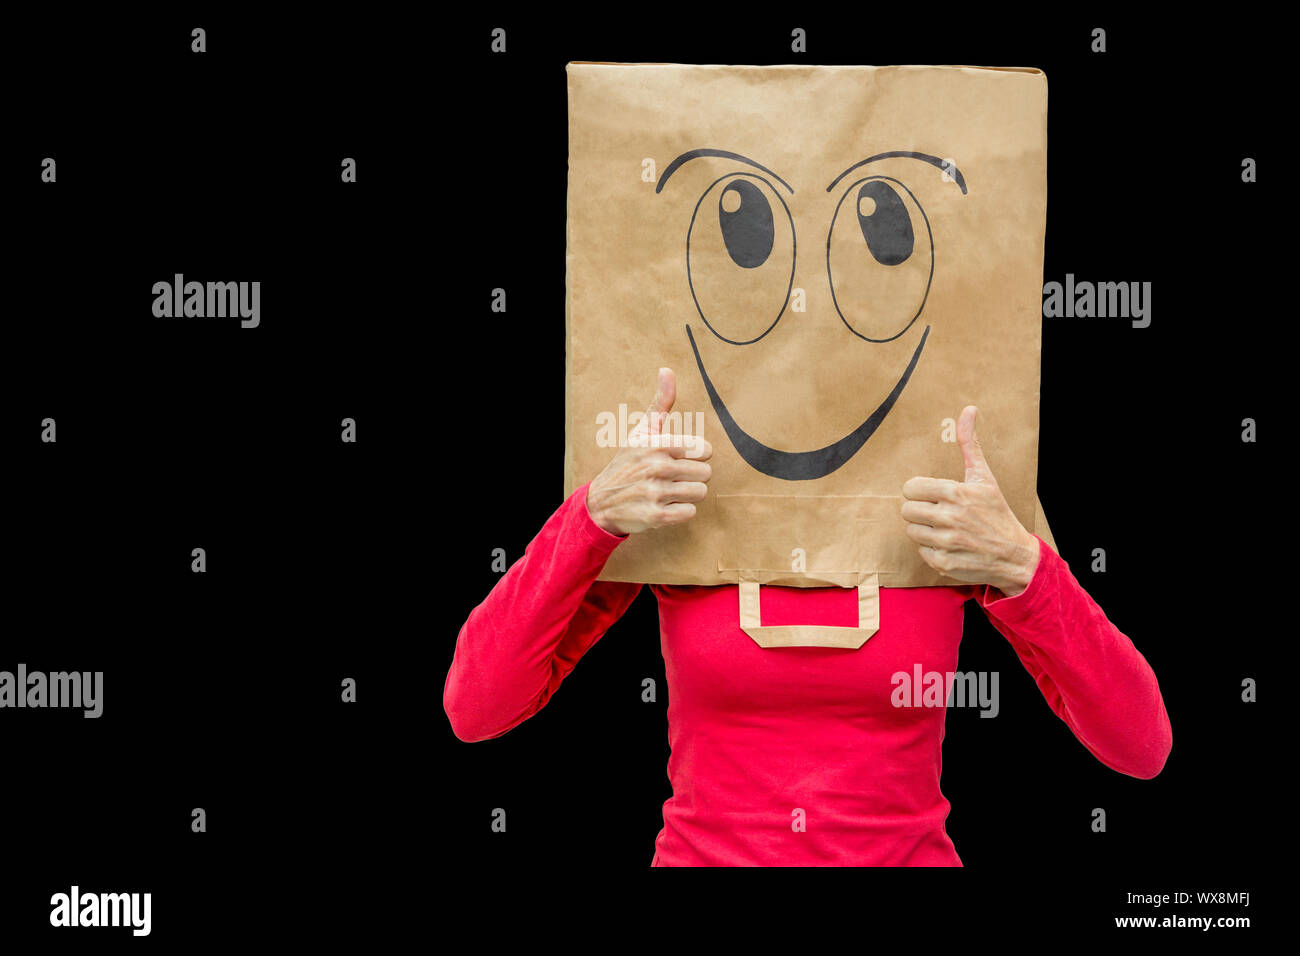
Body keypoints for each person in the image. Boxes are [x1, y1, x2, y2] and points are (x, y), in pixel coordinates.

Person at [443, 368, 1172, 866]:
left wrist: (1023, 565)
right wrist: (593, 516)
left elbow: (1142, 746)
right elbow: (477, 707)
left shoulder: (943, 496)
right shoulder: (684, 498)